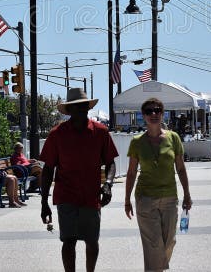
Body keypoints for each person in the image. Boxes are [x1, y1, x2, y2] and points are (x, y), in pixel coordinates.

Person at [39, 88, 118, 272]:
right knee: (69, 241)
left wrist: (108, 184)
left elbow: (110, 163)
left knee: (92, 241)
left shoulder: (100, 132)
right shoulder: (57, 134)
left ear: (88, 108)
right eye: (77, 107)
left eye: (84, 106)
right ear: (69, 110)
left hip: (91, 196)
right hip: (66, 196)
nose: (81, 110)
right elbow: (48, 168)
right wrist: (44, 202)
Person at [124, 97, 192, 272]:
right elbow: (131, 173)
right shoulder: (137, 142)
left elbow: (181, 169)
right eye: (149, 111)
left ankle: (155, 268)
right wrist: (127, 200)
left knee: (169, 242)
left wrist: (187, 194)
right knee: (153, 244)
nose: (153, 114)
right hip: (145, 199)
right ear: (144, 116)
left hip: (170, 198)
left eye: (157, 111)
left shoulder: (173, 138)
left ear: (162, 114)